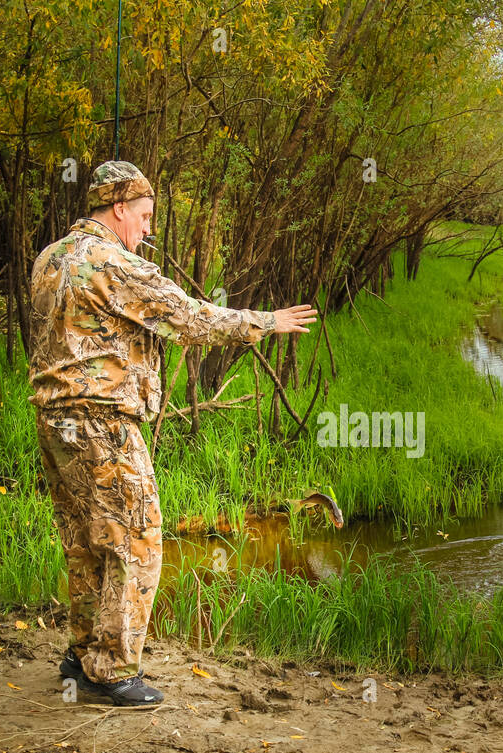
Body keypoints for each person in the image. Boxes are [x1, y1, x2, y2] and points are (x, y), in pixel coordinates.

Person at [28, 160, 317, 705]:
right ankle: (112, 671)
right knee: (138, 537)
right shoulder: (112, 262)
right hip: (100, 421)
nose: (146, 230)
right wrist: (266, 322)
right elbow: (188, 319)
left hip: (53, 419)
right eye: (143, 216)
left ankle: (81, 655)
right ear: (118, 209)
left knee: (86, 541)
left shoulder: (51, 257)